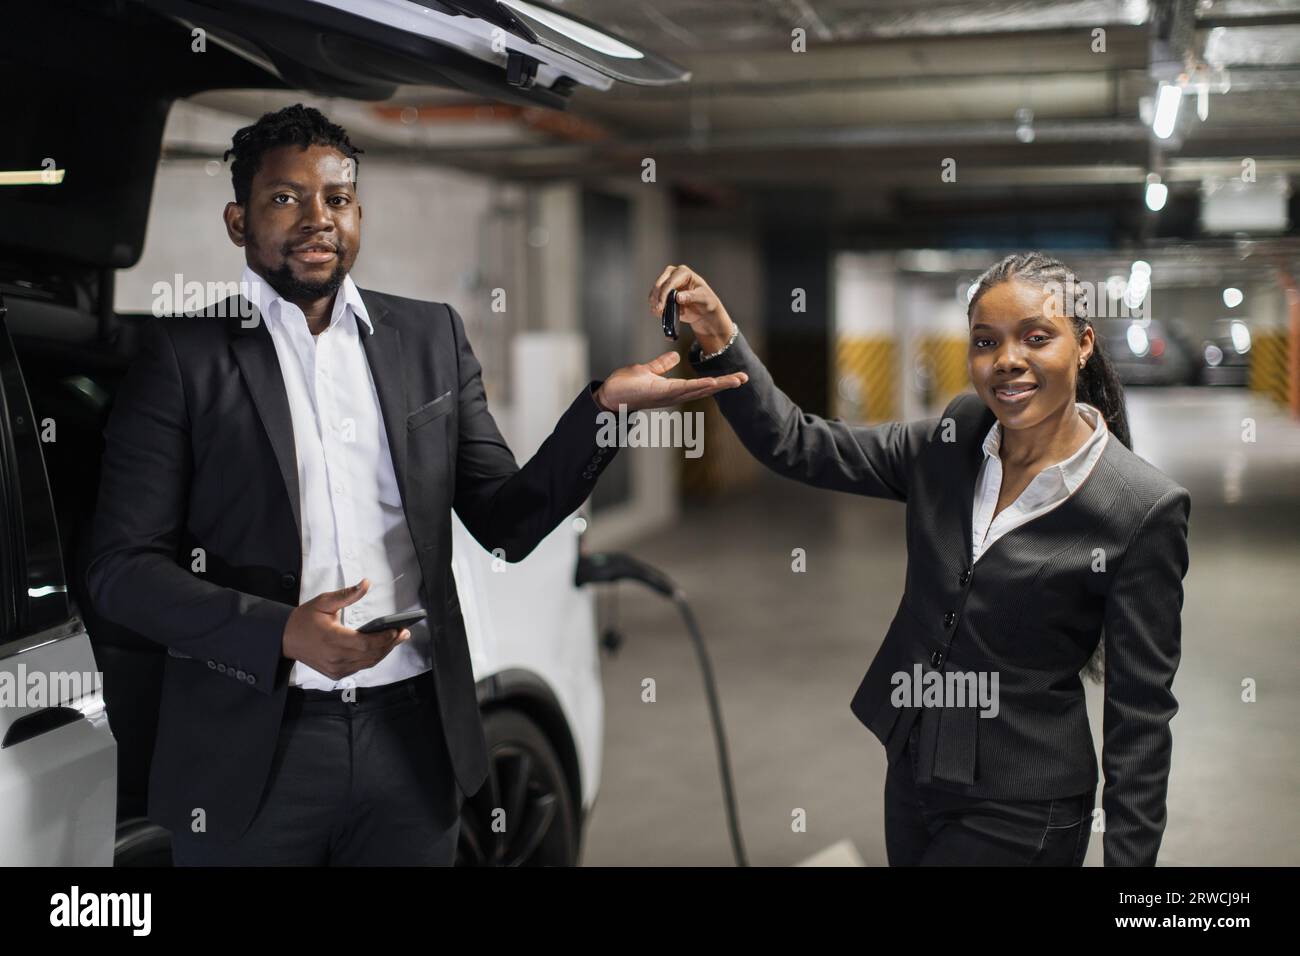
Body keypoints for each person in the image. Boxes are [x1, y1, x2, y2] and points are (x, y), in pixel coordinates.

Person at [85, 104, 747, 866]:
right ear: (238, 221)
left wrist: (603, 412)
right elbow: (121, 572)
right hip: (253, 751)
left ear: (358, 211)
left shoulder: (430, 338)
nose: (317, 218)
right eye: (285, 198)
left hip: (414, 743)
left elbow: (507, 519)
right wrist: (279, 633)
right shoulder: (183, 356)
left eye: (336, 198)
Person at [654, 253, 1191, 866]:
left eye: (1036, 338)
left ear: (1084, 343)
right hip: (916, 770)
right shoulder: (956, 437)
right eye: (986, 342)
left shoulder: (1140, 507)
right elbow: (799, 442)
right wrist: (722, 340)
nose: (1007, 359)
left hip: (1023, 802)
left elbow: (1140, 718)